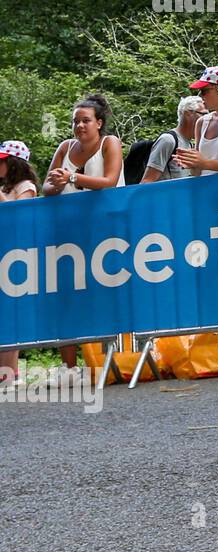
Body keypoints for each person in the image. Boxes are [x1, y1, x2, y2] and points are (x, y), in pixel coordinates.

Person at [42, 95, 125, 375]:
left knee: (104, 293)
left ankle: (109, 362)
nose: (79, 125)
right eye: (75, 121)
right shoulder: (65, 147)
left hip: (107, 233)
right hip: (69, 234)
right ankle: (69, 366)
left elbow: (110, 181)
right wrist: (54, 184)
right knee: (66, 295)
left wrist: (73, 178)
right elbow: (46, 187)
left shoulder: (109, 143)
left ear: (99, 123)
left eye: (85, 120)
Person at [0, 140, 39, 387]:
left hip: (16, 255)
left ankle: (9, 372)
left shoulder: (26, 186)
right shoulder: (6, 186)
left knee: (10, 311)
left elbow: (17, 217)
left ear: (13, 163)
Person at [140, 96, 206, 183]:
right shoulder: (168, 140)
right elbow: (147, 180)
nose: (206, 118)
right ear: (187, 114)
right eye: (203, 114)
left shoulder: (189, 144)